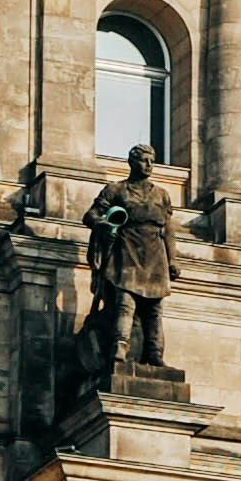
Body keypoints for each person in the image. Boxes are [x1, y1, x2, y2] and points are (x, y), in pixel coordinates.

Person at [84, 143, 180, 373]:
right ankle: (120, 347)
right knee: (125, 304)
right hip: (126, 252)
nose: (148, 165)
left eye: (151, 161)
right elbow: (91, 215)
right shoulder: (117, 190)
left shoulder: (162, 195)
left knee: (154, 309)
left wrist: (173, 260)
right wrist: (103, 225)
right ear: (131, 162)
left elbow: (167, 230)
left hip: (154, 256)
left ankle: (154, 354)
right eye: (143, 160)